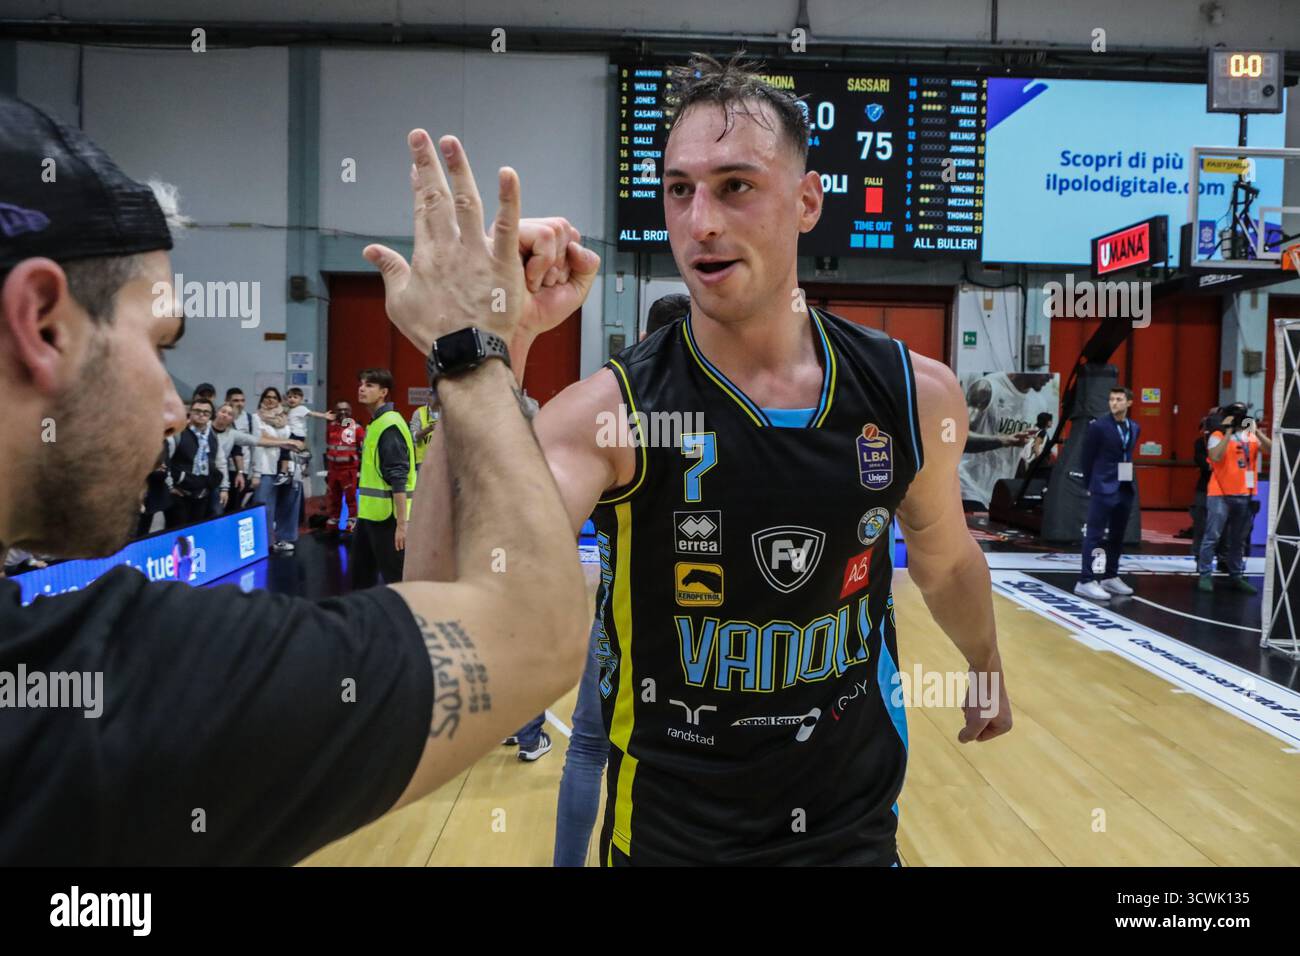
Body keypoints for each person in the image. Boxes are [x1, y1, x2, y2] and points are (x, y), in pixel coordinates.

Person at [409, 54, 1013, 867]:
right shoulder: (610, 415)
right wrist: (488, 347)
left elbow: (944, 561)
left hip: (852, 839)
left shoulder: (912, 395)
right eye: (680, 189)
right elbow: (447, 608)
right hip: (668, 842)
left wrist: (984, 660)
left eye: (736, 186)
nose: (700, 223)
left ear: (806, 202)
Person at [0, 97, 590, 863]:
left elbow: (452, 605)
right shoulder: (106, 681)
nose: (176, 407)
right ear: (43, 323)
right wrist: (477, 344)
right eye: (160, 343)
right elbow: (532, 634)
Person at [549, 292, 694, 864]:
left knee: (588, 747)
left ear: (642, 337)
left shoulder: (613, 411)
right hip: (709, 629)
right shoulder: (729, 411)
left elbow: (548, 530)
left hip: (626, 619)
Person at [351, 368, 415, 588]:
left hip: (388, 520)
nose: (361, 388)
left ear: (383, 392)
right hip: (370, 516)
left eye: (369, 385)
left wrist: (402, 525)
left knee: (396, 582)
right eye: (361, 383)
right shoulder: (377, 423)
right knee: (360, 578)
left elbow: (398, 476)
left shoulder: (389, 426)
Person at [1074, 387, 1140, 601]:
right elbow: (1087, 457)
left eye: (1119, 399)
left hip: (1124, 486)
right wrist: (1089, 483)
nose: (1114, 403)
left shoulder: (1134, 427)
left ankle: (1110, 575)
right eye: (1111, 399)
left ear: (1129, 402)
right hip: (1102, 486)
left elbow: (1126, 455)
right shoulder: (1099, 427)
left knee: (1118, 535)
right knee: (1094, 534)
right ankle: (1085, 579)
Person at [1197, 402, 1266, 594]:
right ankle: (1204, 574)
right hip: (1219, 493)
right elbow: (1216, 456)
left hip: (1244, 493)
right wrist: (1227, 432)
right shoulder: (1216, 436)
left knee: (1239, 539)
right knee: (1213, 536)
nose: (1237, 419)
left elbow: (1270, 450)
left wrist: (1257, 432)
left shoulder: (1250, 436)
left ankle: (1236, 574)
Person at [248, 386, 304, 553]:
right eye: (267, 397)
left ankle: (282, 539)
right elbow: (259, 441)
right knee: (265, 506)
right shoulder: (256, 418)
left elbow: (297, 440)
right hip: (265, 467)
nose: (270, 400)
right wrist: (284, 442)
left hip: (287, 467)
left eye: (274, 397)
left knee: (288, 505)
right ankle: (264, 542)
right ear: (262, 399)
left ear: (279, 401)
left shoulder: (285, 418)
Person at [164, 397, 226, 528]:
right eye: (197, 411)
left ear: (211, 416)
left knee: (196, 533)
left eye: (206, 412)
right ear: (190, 412)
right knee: (176, 535)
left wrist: (222, 487)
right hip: (179, 495)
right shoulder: (178, 433)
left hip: (202, 496)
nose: (201, 414)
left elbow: (220, 462)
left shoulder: (212, 436)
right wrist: (170, 487)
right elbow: (165, 461)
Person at [324, 400, 364, 532]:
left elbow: (363, 449)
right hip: (333, 470)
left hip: (348, 470)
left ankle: (352, 523)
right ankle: (333, 522)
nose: (342, 412)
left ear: (350, 412)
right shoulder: (331, 427)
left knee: (350, 498)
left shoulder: (356, 429)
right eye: (339, 409)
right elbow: (328, 444)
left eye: (345, 409)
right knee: (333, 497)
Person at [410, 397, 440, 476]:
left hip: (444, 460)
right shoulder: (419, 412)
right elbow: (413, 436)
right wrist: (428, 429)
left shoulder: (448, 412)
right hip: (423, 461)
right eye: (431, 394)